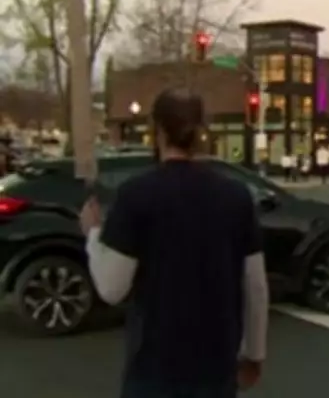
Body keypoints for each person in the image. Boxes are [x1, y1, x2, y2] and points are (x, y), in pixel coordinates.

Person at [79, 89, 269, 398]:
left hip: (154, 370)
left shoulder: (135, 194)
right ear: (200, 131)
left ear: (159, 132)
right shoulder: (236, 196)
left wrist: (92, 234)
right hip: (216, 367)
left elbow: (112, 288)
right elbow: (255, 285)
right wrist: (254, 353)